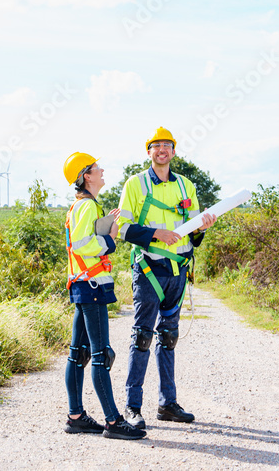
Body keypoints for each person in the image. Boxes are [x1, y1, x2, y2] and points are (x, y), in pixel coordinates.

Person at [117, 127, 216, 429]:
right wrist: (154, 234)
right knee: (143, 337)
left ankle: (167, 404)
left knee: (169, 338)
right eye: (156, 145)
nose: (162, 150)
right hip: (149, 269)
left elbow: (193, 231)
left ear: (174, 151)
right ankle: (132, 407)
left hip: (178, 272)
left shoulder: (186, 185)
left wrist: (202, 227)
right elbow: (121, 228)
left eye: (167, 145)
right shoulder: (136, 184)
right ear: (148, 152)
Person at [62, 151, 146, 441]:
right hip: (92, 286)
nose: (101, 170)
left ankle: (76, 417)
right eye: (97, 168)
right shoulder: (87, 206)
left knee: (78, 354)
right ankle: (113, 421)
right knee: (101, 355)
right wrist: (110, 237)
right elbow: (83, 245)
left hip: (82, 285)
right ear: (86, 175)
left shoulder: (81, 206)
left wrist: (106, 225)